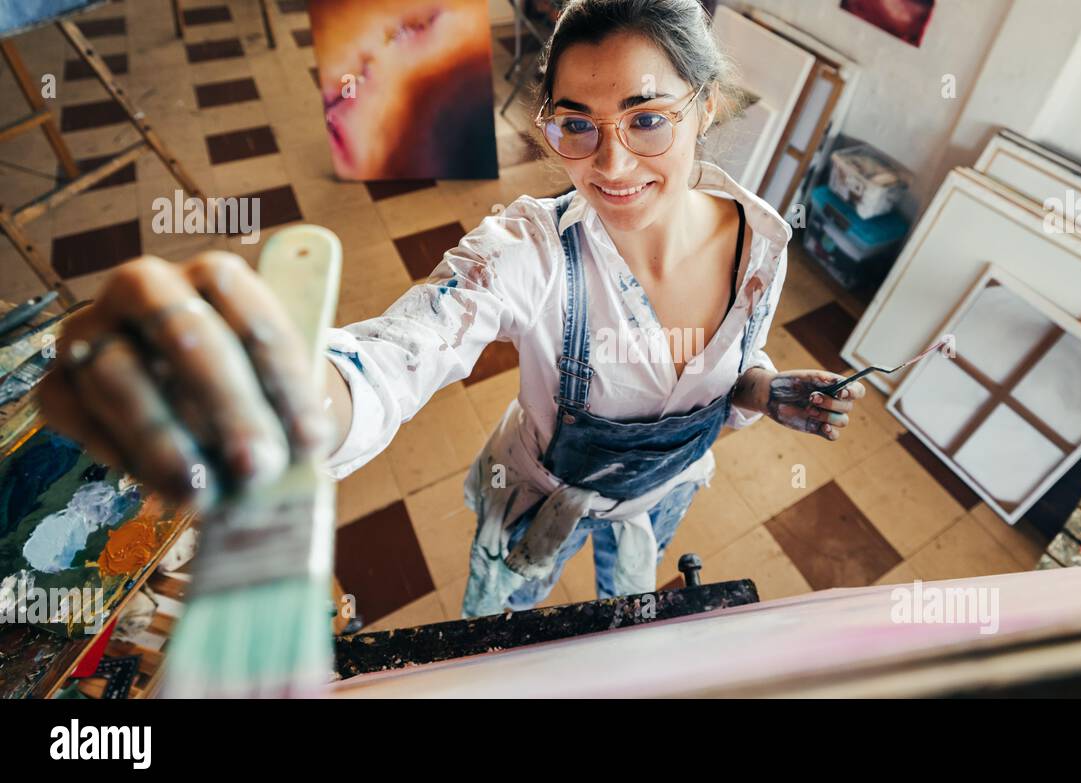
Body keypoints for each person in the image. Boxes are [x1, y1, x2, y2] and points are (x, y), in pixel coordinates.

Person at [39, 0, 869, 618]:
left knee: (635, 625)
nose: (610, 165)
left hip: (670, 491)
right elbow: (403, 351)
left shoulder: (761, 238)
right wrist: (293, 393)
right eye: (575, 126)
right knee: (498, 635)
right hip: (542, 503)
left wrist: (758, 387)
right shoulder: (533, 252)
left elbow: (725, 364)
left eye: (647, 119)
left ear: (708, 107)